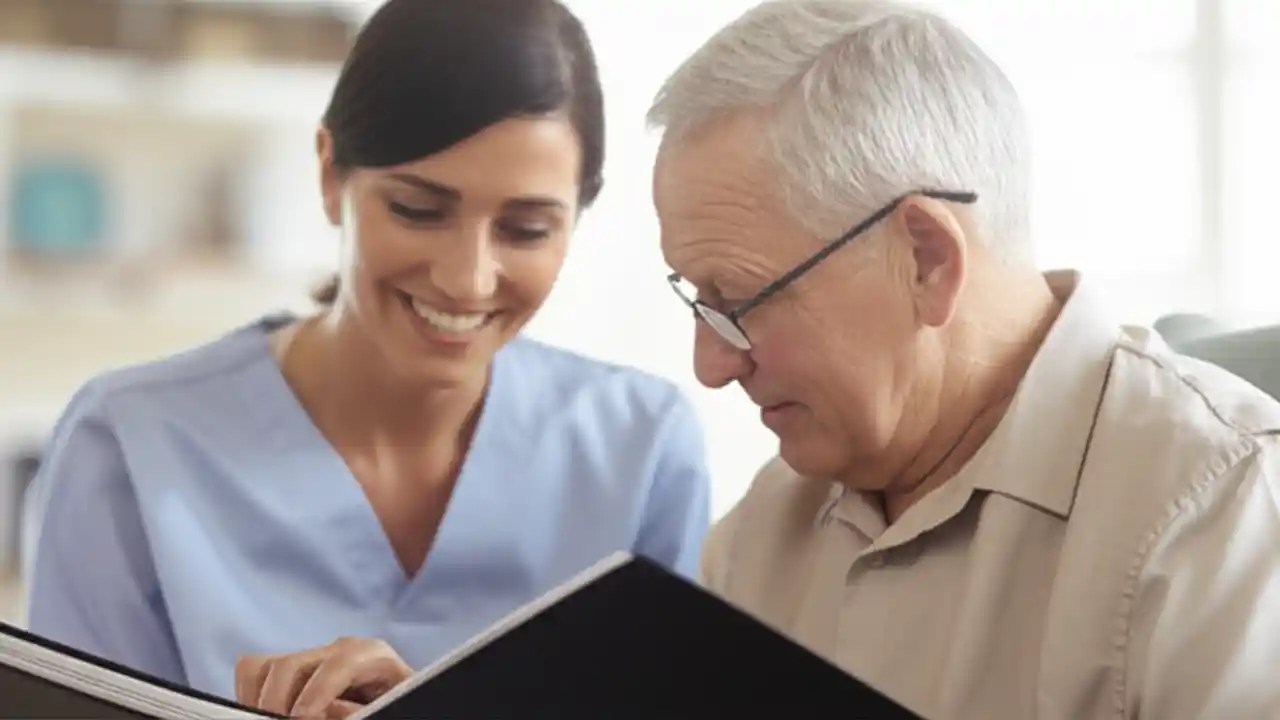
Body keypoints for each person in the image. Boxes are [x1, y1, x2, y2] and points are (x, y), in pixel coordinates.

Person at [21, 0, 711, 717]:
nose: (467, 278)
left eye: (527, 228)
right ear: (330, 175)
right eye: (418, 210)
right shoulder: (129, 444)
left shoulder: (641, 450)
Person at [645, 1, 1280, 718]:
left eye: (739, 303)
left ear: (926, 260)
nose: (711, 365)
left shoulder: (1221, 519)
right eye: (699, 304)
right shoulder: (763, 531)